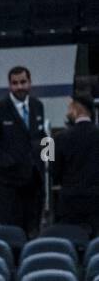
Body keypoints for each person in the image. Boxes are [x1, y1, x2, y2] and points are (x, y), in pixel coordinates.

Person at [0, 66, 46, 236]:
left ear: (30, 83)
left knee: (33, 230)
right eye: (15, 83)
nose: (19, 87)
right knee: (10, 232)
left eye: (23, 82)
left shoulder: (37, 106)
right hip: (6, 183)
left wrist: (49, 160)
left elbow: (42, 135)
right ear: (9, 85)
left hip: (33, 181)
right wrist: (8, 162)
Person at [53, 92, 99, 235]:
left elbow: (53, 170)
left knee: (71, 240)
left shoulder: (59, 137)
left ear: (74, 109)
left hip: (70, 201)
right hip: (96, 199)